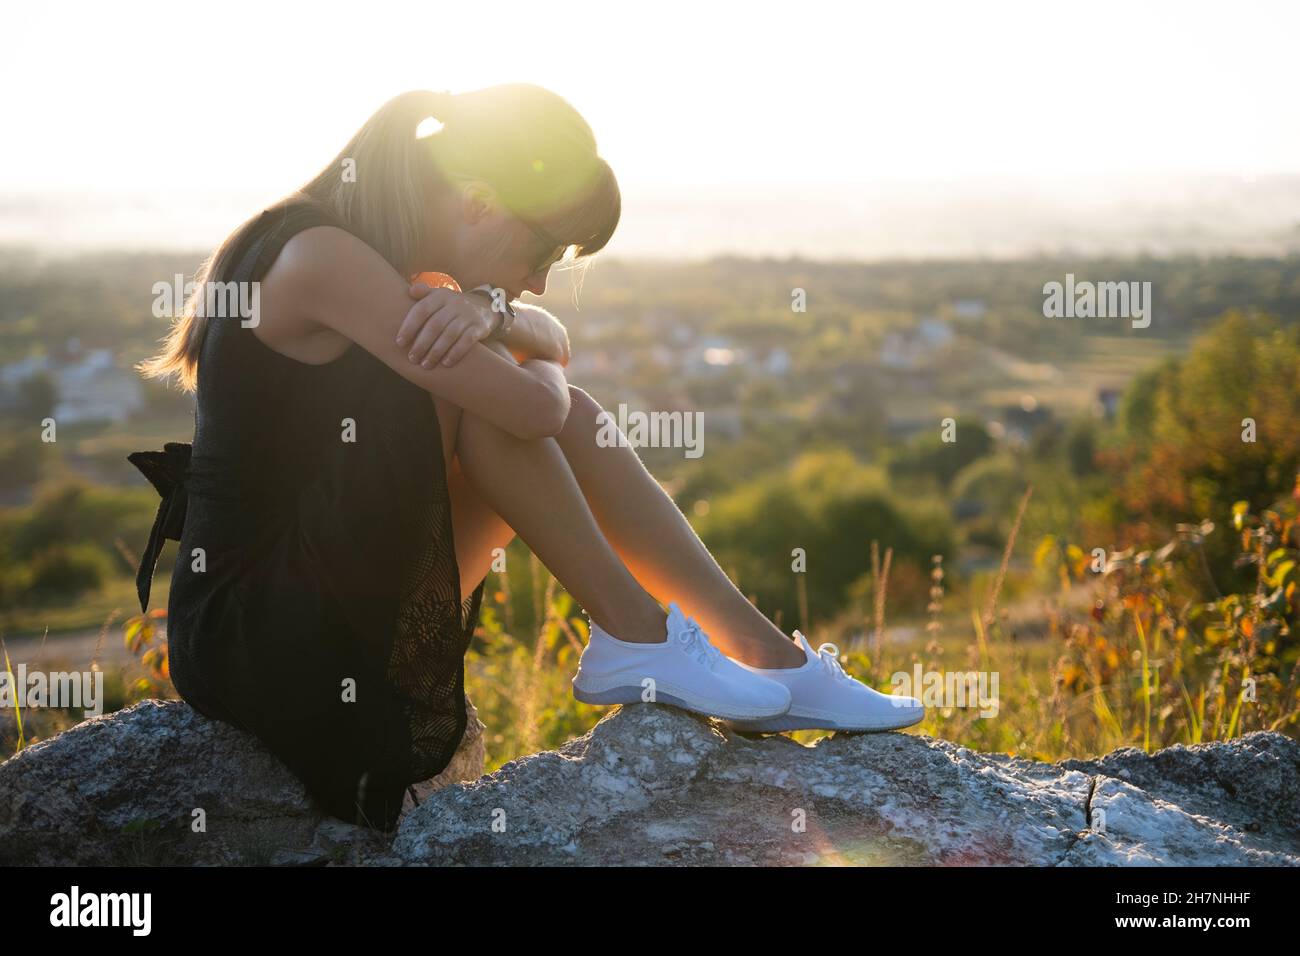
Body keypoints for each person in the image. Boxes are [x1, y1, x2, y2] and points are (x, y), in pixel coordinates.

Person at [130, 84, 922, 832]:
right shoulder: (320, 257)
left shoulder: (385, 255)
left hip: (333, 595)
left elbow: (553, 350)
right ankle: (640, 638)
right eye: (542, 248)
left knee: (554, 410)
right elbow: (536, 400)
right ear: (476, 202)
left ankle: (763, 657)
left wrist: (493, 308)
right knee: (495, 403)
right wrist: (506, 327)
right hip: (260, 636)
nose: (541, 276)